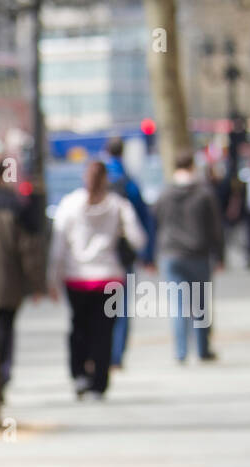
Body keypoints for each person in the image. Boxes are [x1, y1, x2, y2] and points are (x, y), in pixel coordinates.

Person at [47, 160, 147, 400]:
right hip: (109, 277)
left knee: (79, 328)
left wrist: (52, 279)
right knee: (104, 333)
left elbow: (58, 247)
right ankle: (99, 384)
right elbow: (139, 239)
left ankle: (79, 373)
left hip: (76, 277)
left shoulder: (69, 205)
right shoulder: (118, 206)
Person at [154, 152, 224, 363]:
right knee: (200, 304)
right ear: (192, 166)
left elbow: (156, 221)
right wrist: (220, 255)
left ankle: (181, 351)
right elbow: (215, 227)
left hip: (172, 253)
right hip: (197, 254)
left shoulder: (165, 193)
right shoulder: (204, 193)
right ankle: (202, 349)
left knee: (178, 305)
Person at [0, 157, 47, 401]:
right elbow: (27, 249)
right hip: (7, 283)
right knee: (4, 332)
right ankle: (0, 378)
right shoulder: (13, 206)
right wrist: (36, 284)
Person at [103, 137, 154, 369]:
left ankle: (101, 354)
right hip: (123, 255)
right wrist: (147, 254)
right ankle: (115, 355)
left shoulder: (96, 180)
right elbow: (144, 221)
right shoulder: (130, 183)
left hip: (97, 258)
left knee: (99, 309)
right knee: (120, 307)